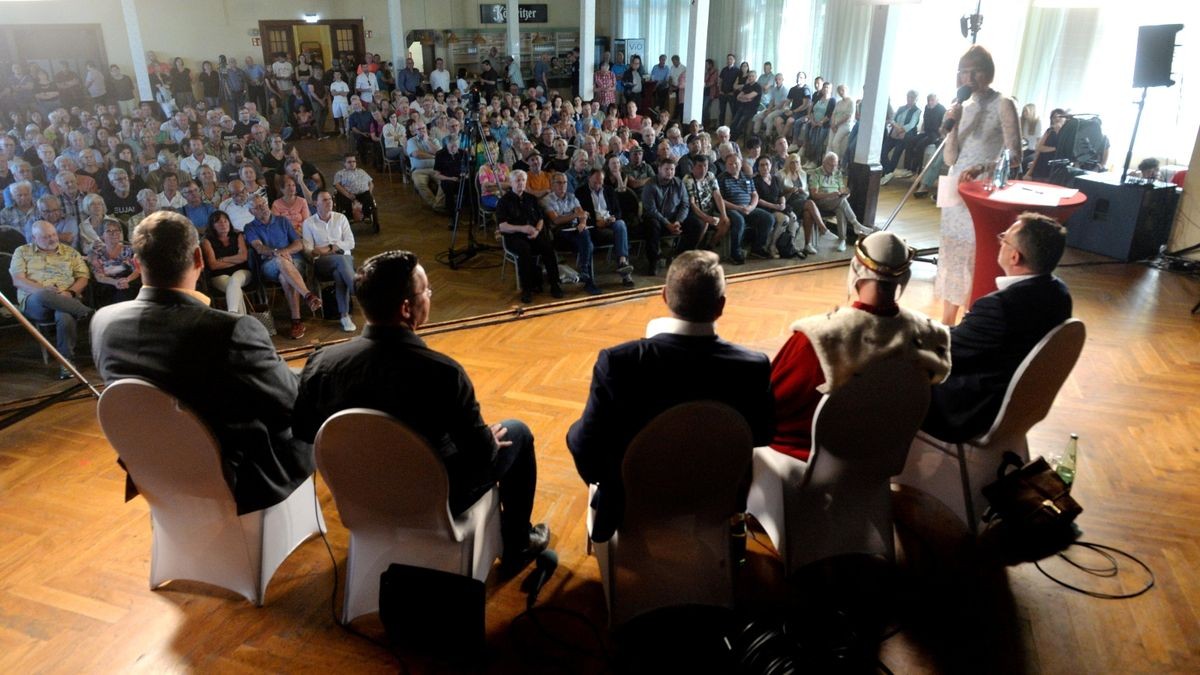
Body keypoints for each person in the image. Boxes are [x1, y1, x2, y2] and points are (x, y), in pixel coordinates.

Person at [293, 250, 550, 573]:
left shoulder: (321, 364)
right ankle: (518, 544)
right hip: (431, 499)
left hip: (360, 496)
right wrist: (487, 440)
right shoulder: (443, 374)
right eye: (426, 291)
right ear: (406, 308)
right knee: (518, 432)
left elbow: (305, 431)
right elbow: (481, 457)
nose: (429, 295)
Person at [90, 211, 314, 514]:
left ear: (138, 264)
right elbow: (291, 404)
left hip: (158, 475)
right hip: (242, 483)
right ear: (198, 258)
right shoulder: (231, 329)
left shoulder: (103, 323)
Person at [567, 250, 774, 542]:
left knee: (574, 434)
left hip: (637, 496)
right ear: (721, 306)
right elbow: (763, 434)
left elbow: (585, 445)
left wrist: (616, 479)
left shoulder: (620, 363)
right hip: (714, 495)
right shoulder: (753, 367)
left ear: (664, 296)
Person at [770, 231, 951, 461]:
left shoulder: (819, 337)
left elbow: (770, 405)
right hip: (884, 454)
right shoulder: (931, 336)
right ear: (905, 277)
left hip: (815, 456)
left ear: (855, 268)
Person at [923, 213, 1071, 442]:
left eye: (1004, 239)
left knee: (892, 371)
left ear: (1015, 256)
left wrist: (908, 328)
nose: (1000, 241)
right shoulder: (1060, 293)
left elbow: (946, 352)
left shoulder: (1000, 307)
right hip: (1021, 403)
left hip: (969, 410)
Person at [937, 44, 1021, 326]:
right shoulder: (960, 106)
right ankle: (947, 322)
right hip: (954, 186)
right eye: (964, 72)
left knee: (975, 256)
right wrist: (953, 125)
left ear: (989, 73)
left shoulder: (1004, 103)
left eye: (976, 72)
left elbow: (1015, 156)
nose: (969, 79)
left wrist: (983, 168)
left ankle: (971, 320)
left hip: (981, 189)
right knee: (951, 254)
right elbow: (949, 158)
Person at [9, 220, 93, 378]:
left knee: (64, 315)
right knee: (43, 294)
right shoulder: (22, 252)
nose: (52, 239)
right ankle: (89, 313)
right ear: (34, 238)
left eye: (54, 235)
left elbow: (83, 277)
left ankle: (67, 363)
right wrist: (43, 290)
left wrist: (71, 293)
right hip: (35, 302)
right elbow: (18, 280)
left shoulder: (70, 252)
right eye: (46, 237)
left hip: (67, 298)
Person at [244, 194, 322, 339]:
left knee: (285, 277)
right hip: (269, 266)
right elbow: (259, 248)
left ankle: (296, 321)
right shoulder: (250, 227)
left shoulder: (282, 221)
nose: (263, 208)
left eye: (264, 204)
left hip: (294, 262)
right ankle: (308, 295)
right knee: (280, 261)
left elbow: (298, 244)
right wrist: (277, 253)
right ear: (251, 212)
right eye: (258, 207)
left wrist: (284, 252)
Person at [498, 169, 560, 303]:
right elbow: (502, 226)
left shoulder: (531, 198)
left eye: (523, 180)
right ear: (511, 183)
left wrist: (537, 231)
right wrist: (522, 228)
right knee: (524, 250)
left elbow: (540, 219)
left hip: (533, 233)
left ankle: (554, 284)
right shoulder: (504, 201)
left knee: (548, 248)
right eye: (517, 180)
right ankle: (527, 288)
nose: (521, 183)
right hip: (514, 236)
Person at [301, 191, 357, 332]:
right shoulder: (309, 223)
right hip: (323, 263)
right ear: (315, 203)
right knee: (341, 260)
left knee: (339, 272)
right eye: (325, 200)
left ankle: (344, 316)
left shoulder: (341, 218)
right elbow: (309, 250)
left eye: (330, 199)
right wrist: (333, 248)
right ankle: (358, 290)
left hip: (344, 260)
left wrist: (329, 248)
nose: (329, 202)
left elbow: (351, 243)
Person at [808, 151, 869, 252]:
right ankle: (855, 224)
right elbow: (814, 195)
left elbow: (842, 188)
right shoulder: (816, 173)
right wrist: (830, 195)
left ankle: (842, 240)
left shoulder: (837, 173)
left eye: (835, 165)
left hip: (836, 201)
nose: (833, 167)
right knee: (842, 202)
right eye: (831, 165)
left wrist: (845, 192)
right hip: (821, 202)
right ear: (824, 163)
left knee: (840, 209)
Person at [201, 210, 251, 314]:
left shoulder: (238, 235)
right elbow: (213, 265)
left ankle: (233, 315)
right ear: (212, 226)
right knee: (235, 288)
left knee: (235, 280)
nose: (223, 224)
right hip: (219, 276)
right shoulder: (207, 241)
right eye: (218, 222)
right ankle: (238, 317)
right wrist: (236, 260)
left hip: (242, 272)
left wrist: (223, 259)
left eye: (225, 221)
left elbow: (244, 257)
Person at [89, 217, 140, 306]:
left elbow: (137, 270)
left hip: (130, 281)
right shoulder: (96, 253)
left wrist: (126, 280)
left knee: (125, 293)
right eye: (109, 231)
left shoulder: (130, 250)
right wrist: (115, 282)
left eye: (117, 230)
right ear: (101, 236)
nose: (114, 233)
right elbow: (99, 277)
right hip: (108, 284)